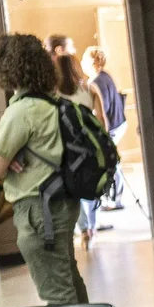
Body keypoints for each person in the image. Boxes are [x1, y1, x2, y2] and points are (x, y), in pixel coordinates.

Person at [0, 33, 91, 307]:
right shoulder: (51, 103)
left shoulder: (20, 112)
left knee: (55, 286)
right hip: (62, 204)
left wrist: (6, 160)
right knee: (67, 275)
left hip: (39, 211)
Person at [56, 53, 108, 249]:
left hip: (67, 149)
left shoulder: (55, 93)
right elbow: (102, 120)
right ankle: (92, 227)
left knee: (74, 189)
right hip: (89, 147)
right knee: (92, 185)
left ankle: (84, 228)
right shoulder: (89, 88)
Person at [83, 46, 128, 209]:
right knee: (113, 162)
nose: (82, 63)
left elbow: (102, 110)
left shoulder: (94, 83)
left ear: (92, 62)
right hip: (120, 122)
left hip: (111, 127)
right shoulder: (105, 76)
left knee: (111, 163)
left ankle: (115, 199)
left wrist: (102, 133)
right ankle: (114, 197)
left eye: (84, 60)